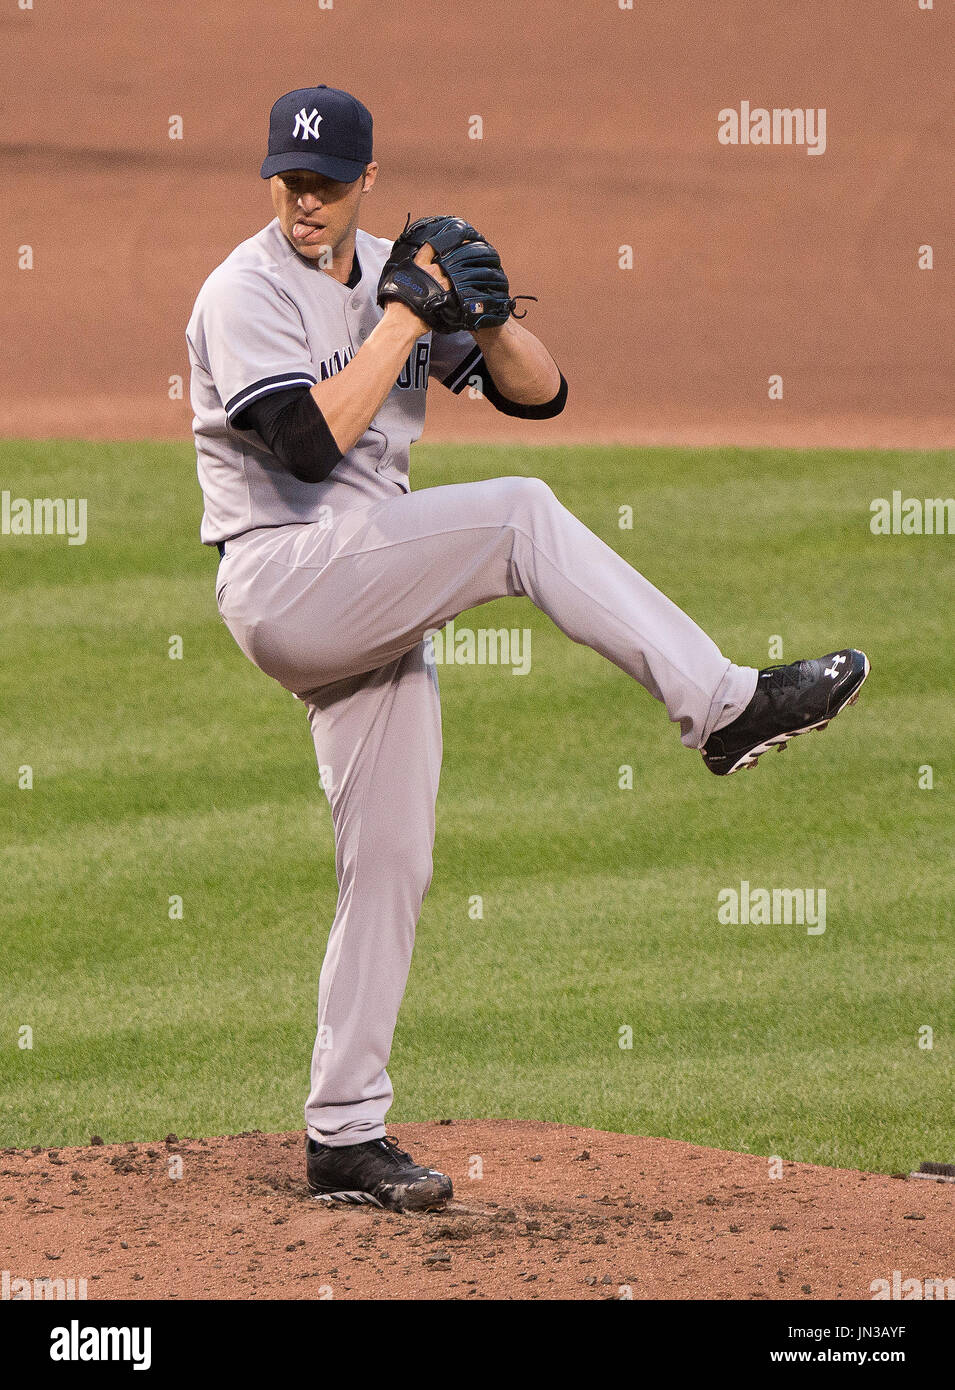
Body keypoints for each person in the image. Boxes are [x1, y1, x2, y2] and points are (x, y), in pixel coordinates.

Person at [186, 84, 868, 1212]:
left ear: (365, 179)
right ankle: (723, 703)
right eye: (288, 179)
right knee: (518, 516)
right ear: (270, 176)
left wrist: (489, 318)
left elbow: (541, 396)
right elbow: (304, 446)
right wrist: (405, 319)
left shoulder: (391, 272)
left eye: (326, 183)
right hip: (287, 578)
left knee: (392, 859)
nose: (304, 201)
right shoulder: (241, 292)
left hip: (372, 586)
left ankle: (344, 1134)